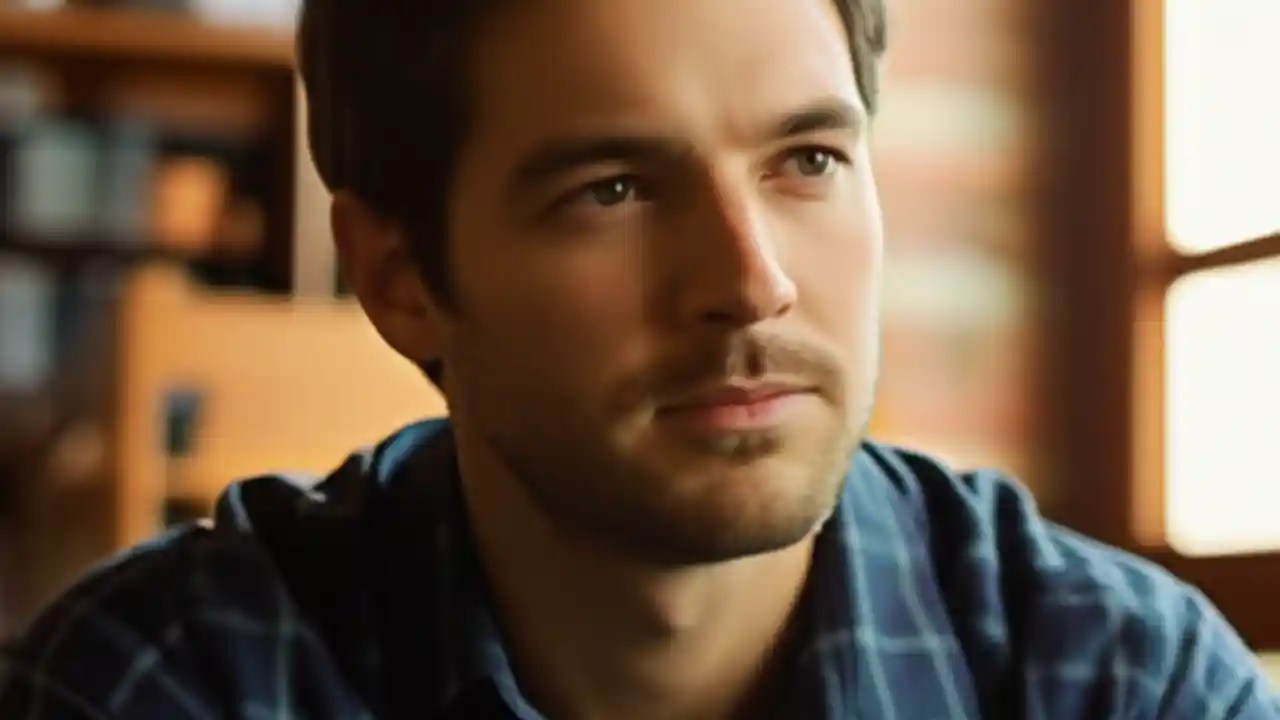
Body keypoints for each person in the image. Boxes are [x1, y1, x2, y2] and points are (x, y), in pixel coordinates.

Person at [2, 0, 1276, 717]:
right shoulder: (173, 685)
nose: (750, 281)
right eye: (611, 188)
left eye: (808, 162)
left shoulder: (1118, 683)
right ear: (399, 278)